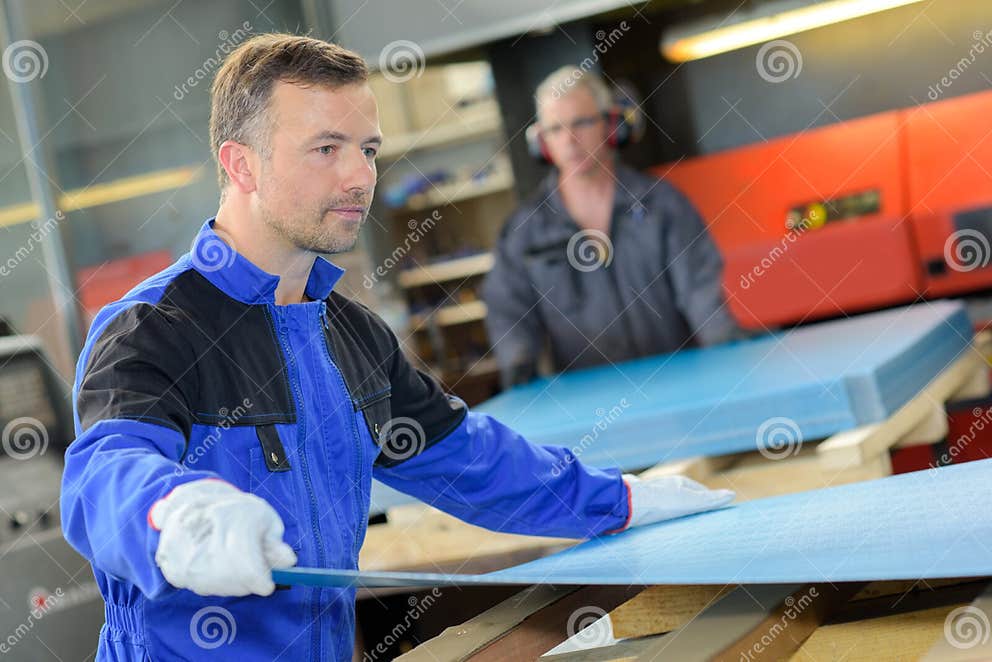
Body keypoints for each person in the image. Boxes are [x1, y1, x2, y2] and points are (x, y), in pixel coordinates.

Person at [60, 35, 735, 661]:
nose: (360, 178)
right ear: (241, 165)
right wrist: (173, 512)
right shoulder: (155, 325)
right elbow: (102, 475)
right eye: (326, 149)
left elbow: (469, 461)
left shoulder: (346, 334)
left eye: (370, 150)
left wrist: (617, 501)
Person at [482, 67, 741, 387]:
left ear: (610, 124)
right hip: (586, 409)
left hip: (679, 391)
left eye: (581, 123)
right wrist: (522, 384)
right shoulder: (524, 232)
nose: (570, 140)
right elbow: (510, 319)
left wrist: (732, 370)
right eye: (555, 129)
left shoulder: (662, 206)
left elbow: (703, 299)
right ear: (541, 142)